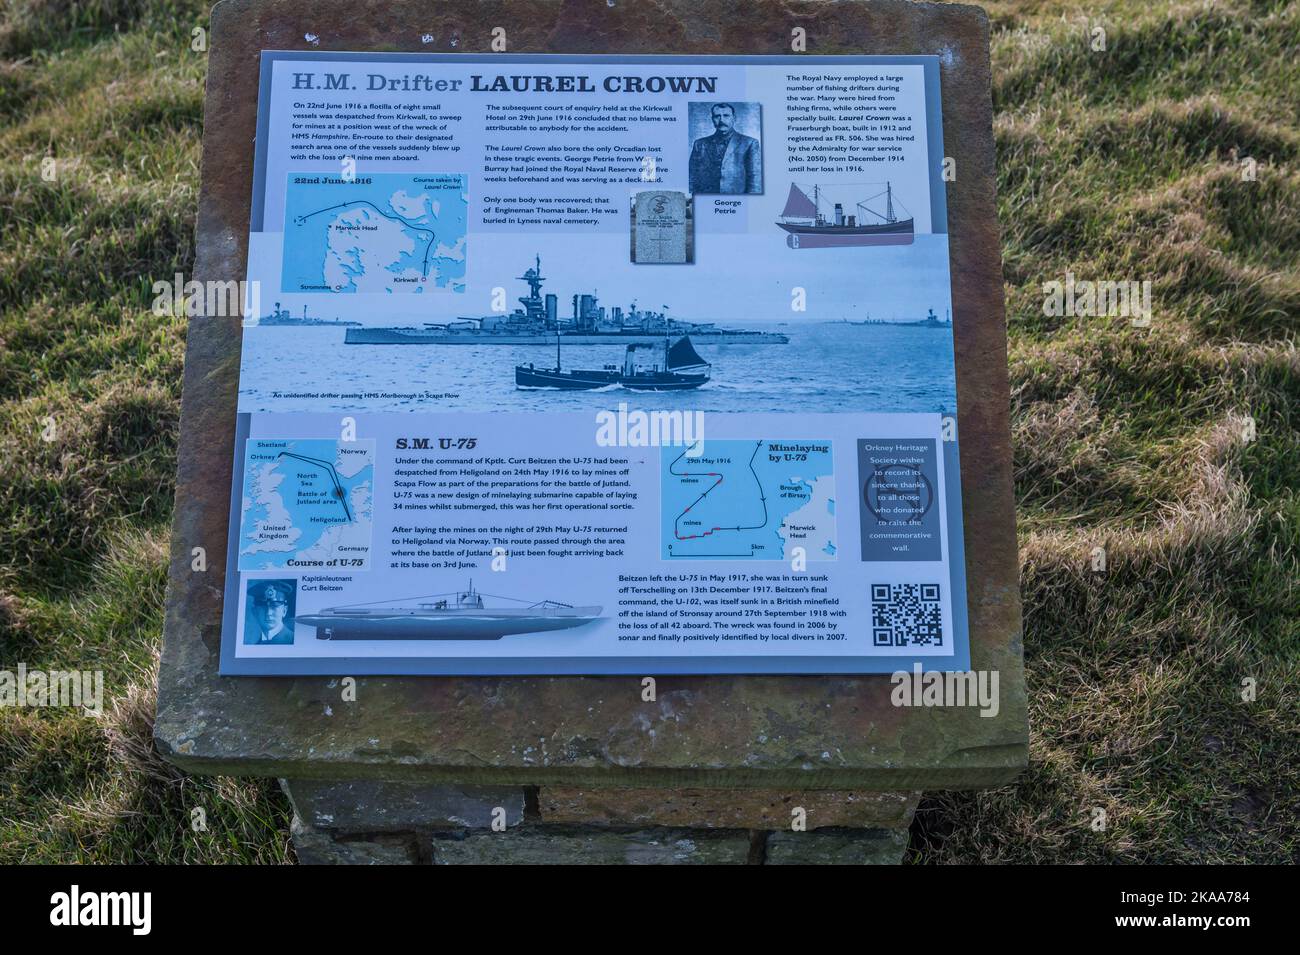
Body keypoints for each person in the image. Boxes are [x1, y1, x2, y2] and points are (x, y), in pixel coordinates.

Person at [688, 103, 761, 195]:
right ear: (712, 119)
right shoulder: (699, 144)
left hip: (736, 200)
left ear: (734, 118)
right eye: (717, 116)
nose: (721, 120)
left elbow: (755, 179)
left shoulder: (750, 143)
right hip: (705, 199)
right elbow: (691, 176)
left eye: (726, 116)